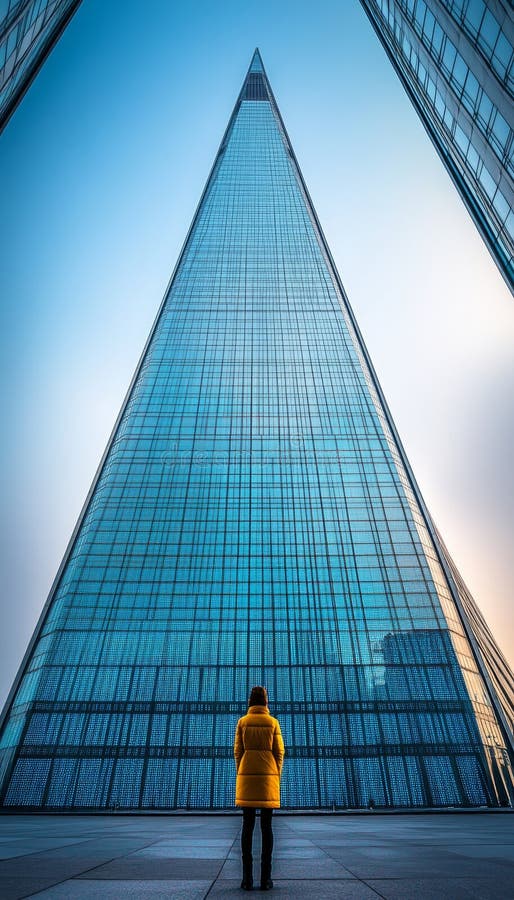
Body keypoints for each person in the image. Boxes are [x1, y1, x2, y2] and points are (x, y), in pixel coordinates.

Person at [234, 685, 285, 891]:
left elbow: (237, 752)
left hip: (247, 778)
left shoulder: (242, 722)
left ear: (250, 701)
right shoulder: (273, 722)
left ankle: (247, 880)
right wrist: (275, 774)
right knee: (266, 828)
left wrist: (243, 772)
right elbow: (280, 752)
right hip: (267, 779)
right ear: (265, 701)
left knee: (247, 827)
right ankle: (266, 879)